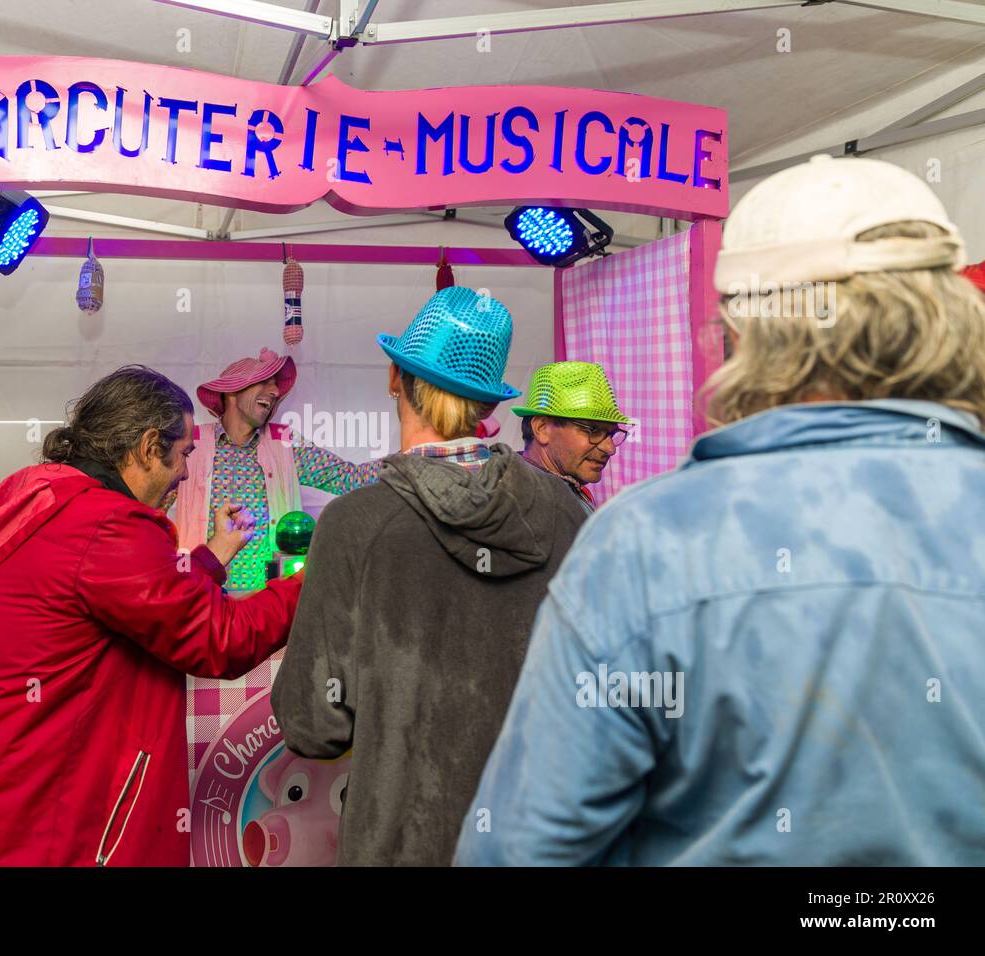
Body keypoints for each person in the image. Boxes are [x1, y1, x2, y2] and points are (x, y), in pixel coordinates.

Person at [456, 155, 985, 866]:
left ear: (743, 335)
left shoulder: (647, 542)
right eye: (591, 428)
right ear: (950, 320)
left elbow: (525, 850)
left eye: (610, 430)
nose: (606, 444)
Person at [0, 366, 303, 867]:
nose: (184, 474)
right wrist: (321, 576)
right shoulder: (104, 525)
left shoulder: (51, 497)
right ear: (146, 446)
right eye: (182, 455)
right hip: (32, 813)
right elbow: (217, 637)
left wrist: (212, 555)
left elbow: (145, 598)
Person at [271, 286, 590, 865]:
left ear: (395, 378)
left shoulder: (354, 524)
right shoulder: (568, 512)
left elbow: (313, 722)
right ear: (489, 408)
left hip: (400, 844)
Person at [168, 347, 380, 592]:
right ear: (233, 391)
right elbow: (151, 507)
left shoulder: (285, 442)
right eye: (265, 381)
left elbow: (347, 477)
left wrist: (408, 460)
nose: (276, 391)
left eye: (276, 385)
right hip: (202, 596)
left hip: (267, 603)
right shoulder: (191, 443)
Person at [515, 361, 631, 512]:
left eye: (611, 434)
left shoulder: (567, 489)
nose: (610, 449)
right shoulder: (525, 505)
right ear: (542, 428)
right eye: (593, 430)